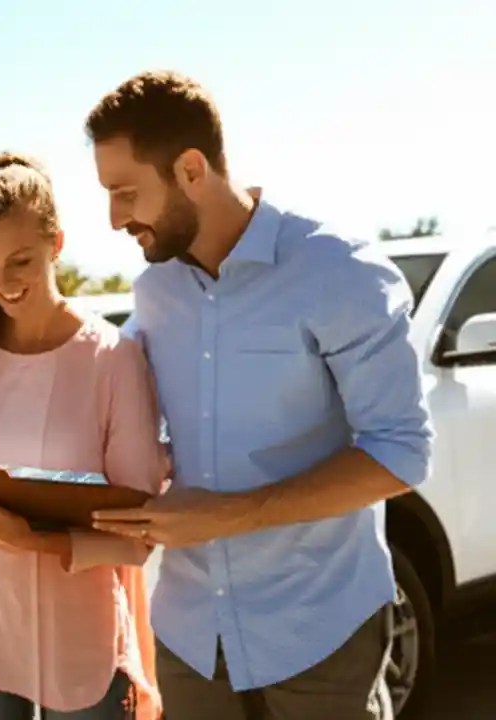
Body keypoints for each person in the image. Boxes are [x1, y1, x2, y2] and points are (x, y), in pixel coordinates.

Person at [85, 71, 434, 720]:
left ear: (191, 169)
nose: (113, 219)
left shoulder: (339, 271)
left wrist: (230, 514)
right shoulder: (153, 295)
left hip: (321, 629)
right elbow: (111, 413)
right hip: (191, 640)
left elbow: (402, 453)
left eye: (126, 192)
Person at [0, 151, 168, 720]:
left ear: (56, 244)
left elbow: (139, 529)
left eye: (21, 260)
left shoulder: (114, 358)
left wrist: (34, 539)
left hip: (85, 638)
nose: (4, 282)